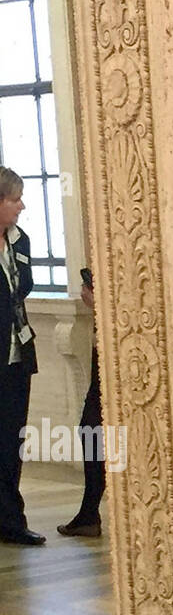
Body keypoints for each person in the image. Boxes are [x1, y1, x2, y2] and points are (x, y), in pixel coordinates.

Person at [0, 167, 45, 546]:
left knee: (11, 440)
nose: (21, 206)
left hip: (16, 355)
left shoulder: (20, 241)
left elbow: (22, 289)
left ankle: (11, 520)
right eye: (15, 199)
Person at [58, 271, 105, 537]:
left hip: (118, 351)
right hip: (103, 347)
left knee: (93, 427)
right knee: (91, 428)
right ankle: (88, 512)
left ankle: (89, 513)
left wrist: (99, 305)